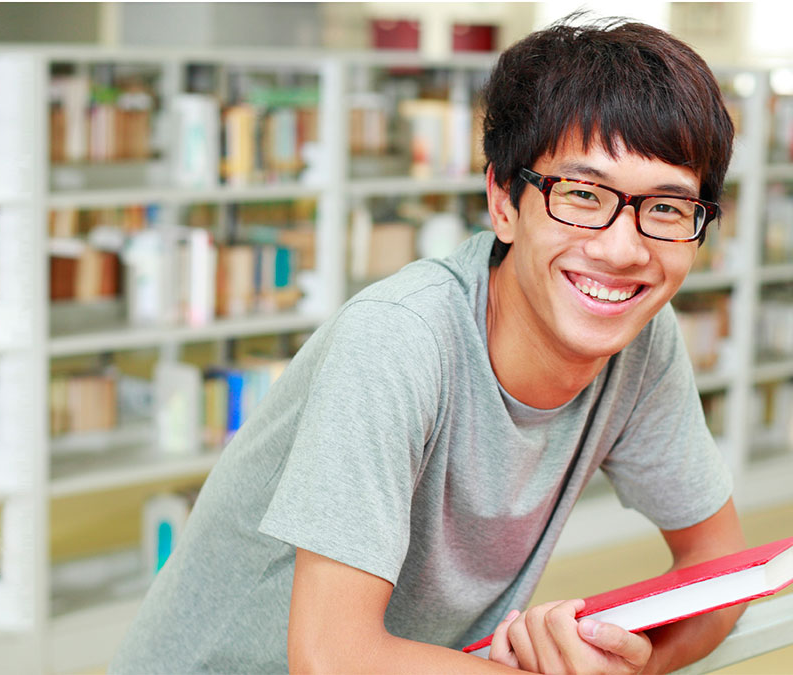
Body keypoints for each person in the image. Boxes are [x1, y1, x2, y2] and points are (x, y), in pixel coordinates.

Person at [110, 14, 747, 674]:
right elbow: (331, 659)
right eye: (582, 195)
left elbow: (721, 566)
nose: (622, 249)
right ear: (503, 202)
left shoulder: (642, 339)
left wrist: (625, 663)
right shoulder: (396, 338)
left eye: (667, 208)